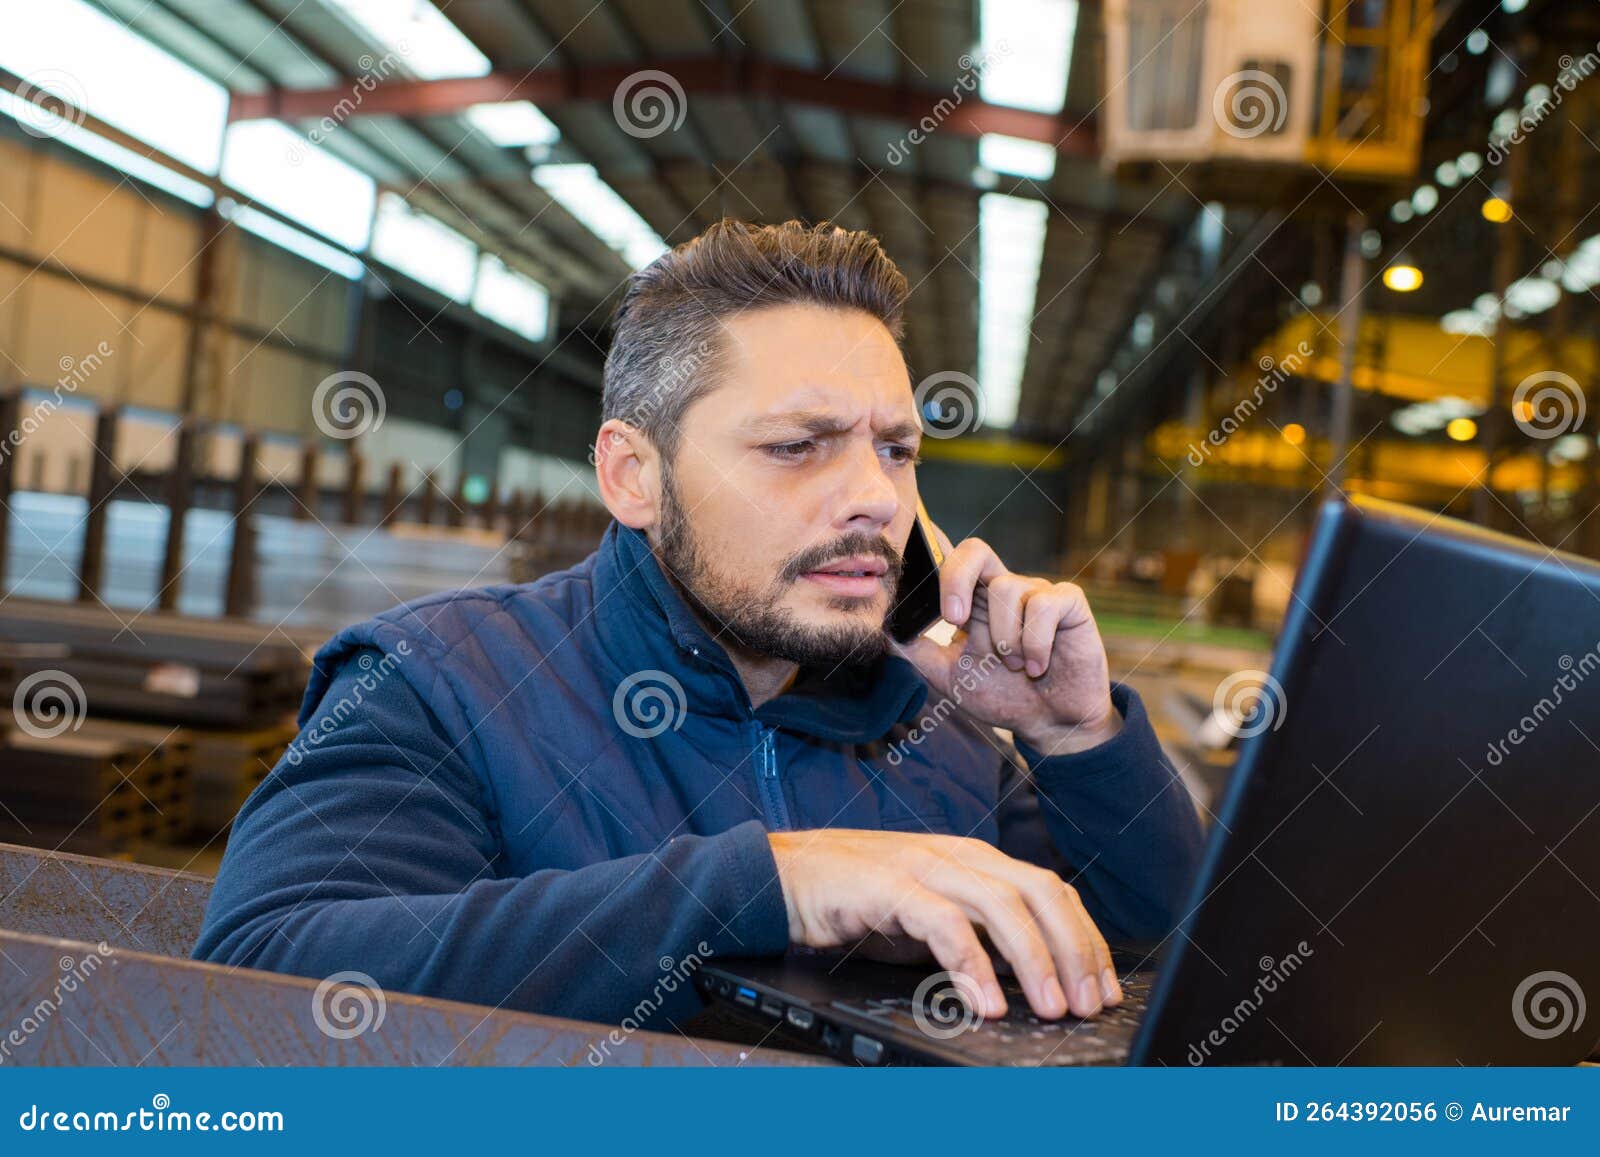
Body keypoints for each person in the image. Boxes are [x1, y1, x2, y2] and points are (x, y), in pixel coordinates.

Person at [193, 219, 1204, 1031]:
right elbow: (261, 979)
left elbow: (1143, 963)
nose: (874, 498)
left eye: (896, 451)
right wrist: (774, 880)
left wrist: (1076, 740)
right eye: (797, 445)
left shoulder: (937, 730)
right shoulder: (441, 680)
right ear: (634, 474)